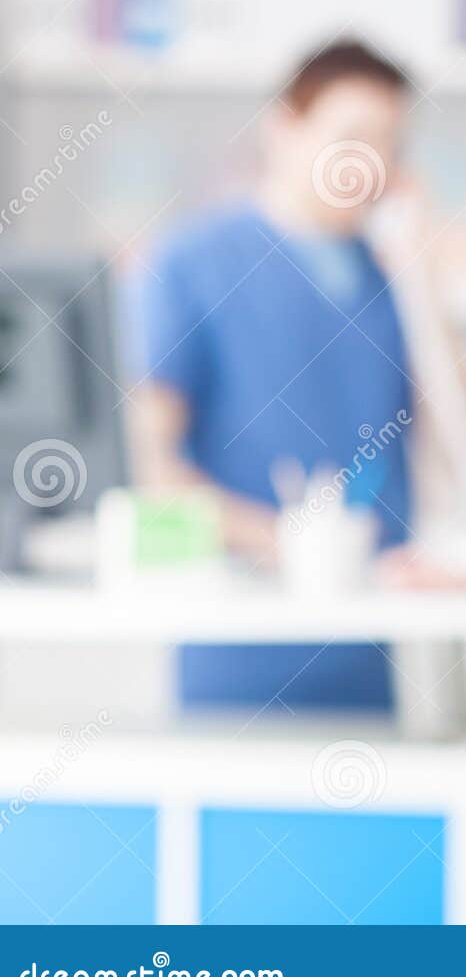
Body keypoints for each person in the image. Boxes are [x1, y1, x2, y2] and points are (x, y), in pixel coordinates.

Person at [129, 39, 420, 712]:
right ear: (282, 130)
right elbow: (152, 463)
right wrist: (292, 543)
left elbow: (451, 453)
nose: (369, 164)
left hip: (371, 643)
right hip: (239, 638)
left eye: (390, 144)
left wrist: (425, 275)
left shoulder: (392, 277)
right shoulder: (193, 261)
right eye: (351, 137)